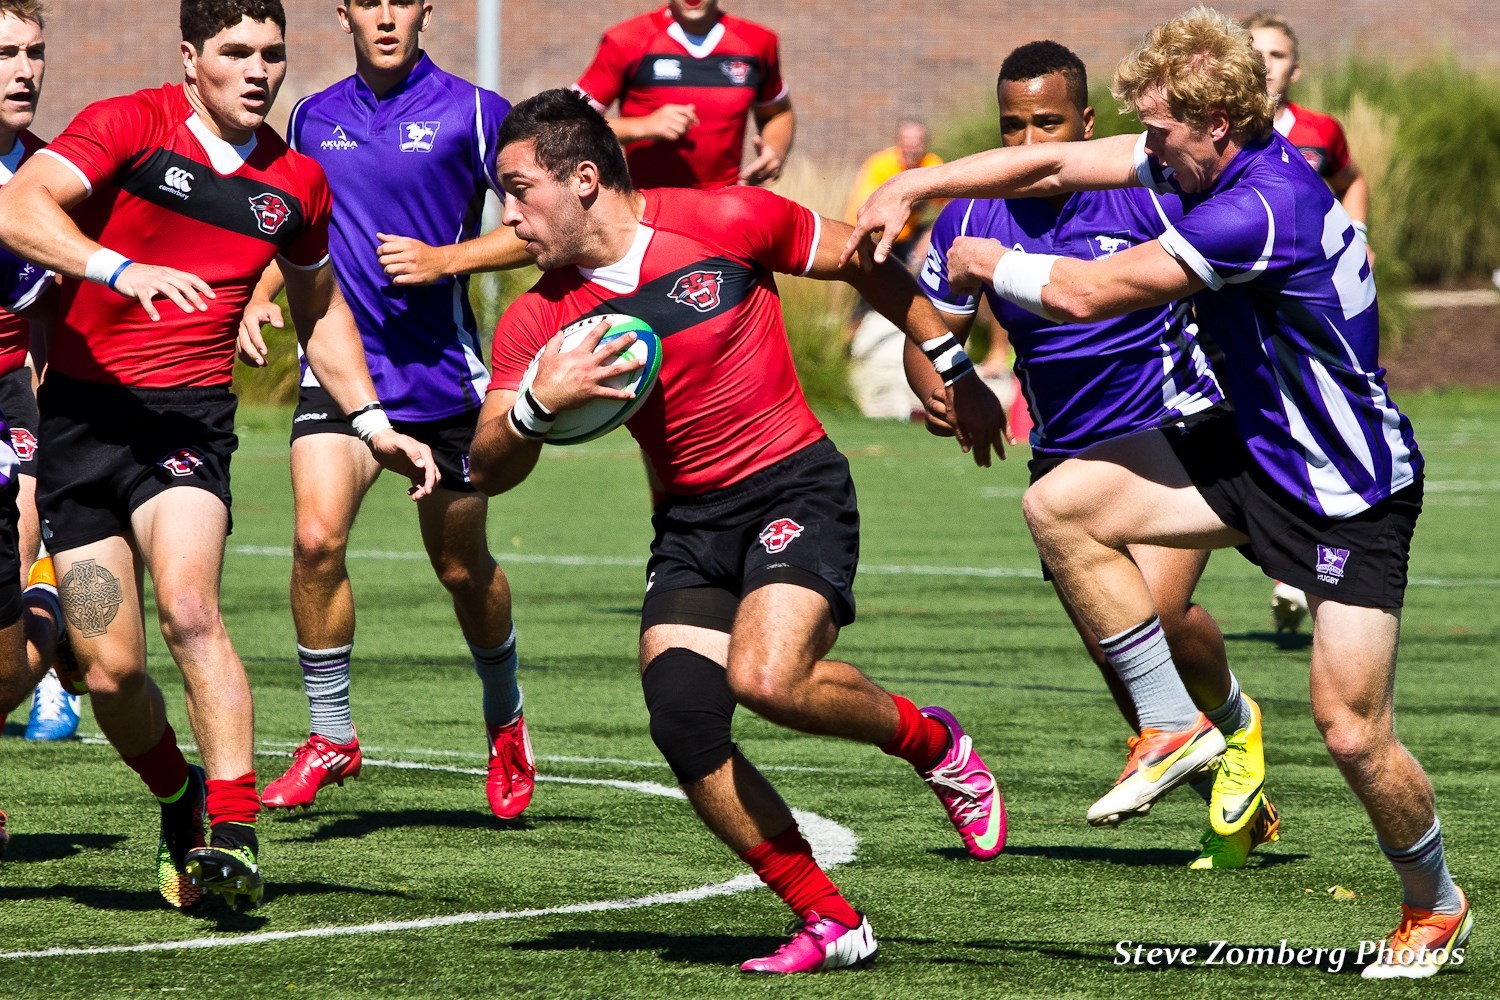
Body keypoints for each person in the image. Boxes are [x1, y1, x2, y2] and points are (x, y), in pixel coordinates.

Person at [850, 6, 1468, 979]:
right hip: (1247, 452)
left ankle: (1433, 903)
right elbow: (1051, 170)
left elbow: (1093, 291)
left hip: (1346, 488)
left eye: (1160, 129)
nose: (1146, 147)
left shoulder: (1257, 208)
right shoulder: (1205, 160)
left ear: (1215, 123)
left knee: (1351, 729)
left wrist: (983, 263)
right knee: (1058, 505)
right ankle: (1172, 722)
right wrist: (923, 182)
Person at [470, 89, 1006, 975]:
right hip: (688, 525)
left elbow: (864, 260)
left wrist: (945, 361)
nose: (508, 213)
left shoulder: (724, 215)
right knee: (683, 720)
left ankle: (932, 741)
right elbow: (487, 466)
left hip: (795, 486)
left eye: (521, 189)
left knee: (768, 678)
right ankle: (831, 920)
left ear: (586, 180)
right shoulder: (540, 319)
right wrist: (535, 404)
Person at [0, 0, 436, 913]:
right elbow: (19, 206)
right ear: (191, 56)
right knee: (111, 667)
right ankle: (179, 799)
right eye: (235, 52)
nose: (257, 70)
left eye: (272, 54)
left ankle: (232, 833)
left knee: (190, 605)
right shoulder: (129, 124)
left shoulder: (298, 184)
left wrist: (369, 419)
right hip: (83, 434)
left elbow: (319, 309)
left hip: (184, 434)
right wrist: (117, 268)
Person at [909, 39, 1277, 869]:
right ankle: (1218, 744)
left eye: (1048, 123)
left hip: (1172, 432)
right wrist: (948, 376)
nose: (1030, 145)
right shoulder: (971, 212)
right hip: (1066, 457)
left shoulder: (1147, 198)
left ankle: (1234, 733)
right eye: (1013, 126)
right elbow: (930, 324)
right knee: (1132, 655)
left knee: (1156, 608)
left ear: (1085, 124)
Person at [236, 0, 533, 821]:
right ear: (345, 14)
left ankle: (505, 716)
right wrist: (260, 295)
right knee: (314, 538)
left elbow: (538, 226)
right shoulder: (310, 116)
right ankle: (331, 734)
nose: (387, 15)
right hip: (340, 378)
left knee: (462, 571)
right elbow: (291, 229)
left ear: (425, 10)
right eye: (370, 0)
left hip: (444, 389)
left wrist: (450, 258)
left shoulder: (476, 112)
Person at [1244, 9, 1372, 636]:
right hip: (1238, 303)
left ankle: (1305, 567)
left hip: (1309, 303)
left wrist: (1360, 235)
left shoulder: (1320, 130)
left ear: (1296, 69)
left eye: (1275, 55)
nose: (1264, 64)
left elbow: (1352, 179)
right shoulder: (1218, 132)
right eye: (1253, 52)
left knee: (1317, 416)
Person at [0, 0, 82, 742]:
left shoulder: (52, 173)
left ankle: (53, 620)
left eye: (34, 52)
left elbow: (56, 312)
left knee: (17, 558)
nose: (25, 71)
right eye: (5, 54)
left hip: (8, 392)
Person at [573, 0, 794, 189]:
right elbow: (568, 122)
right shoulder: (626, 40)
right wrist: (643, 126)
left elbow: (777, 112)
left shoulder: (758, 42)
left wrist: (775, 152)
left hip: (723, 211)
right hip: (647, 210)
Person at [843, 119, 944, 420]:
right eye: (906, 141)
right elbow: (865, 211)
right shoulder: (881, 166)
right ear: (898, 142)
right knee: (863, 300)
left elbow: (955, 204)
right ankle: (847, 355)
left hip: (911, 236)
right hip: (875, 236)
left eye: (918, 141)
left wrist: (929, 237)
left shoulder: (932, 165)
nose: (912, 147)